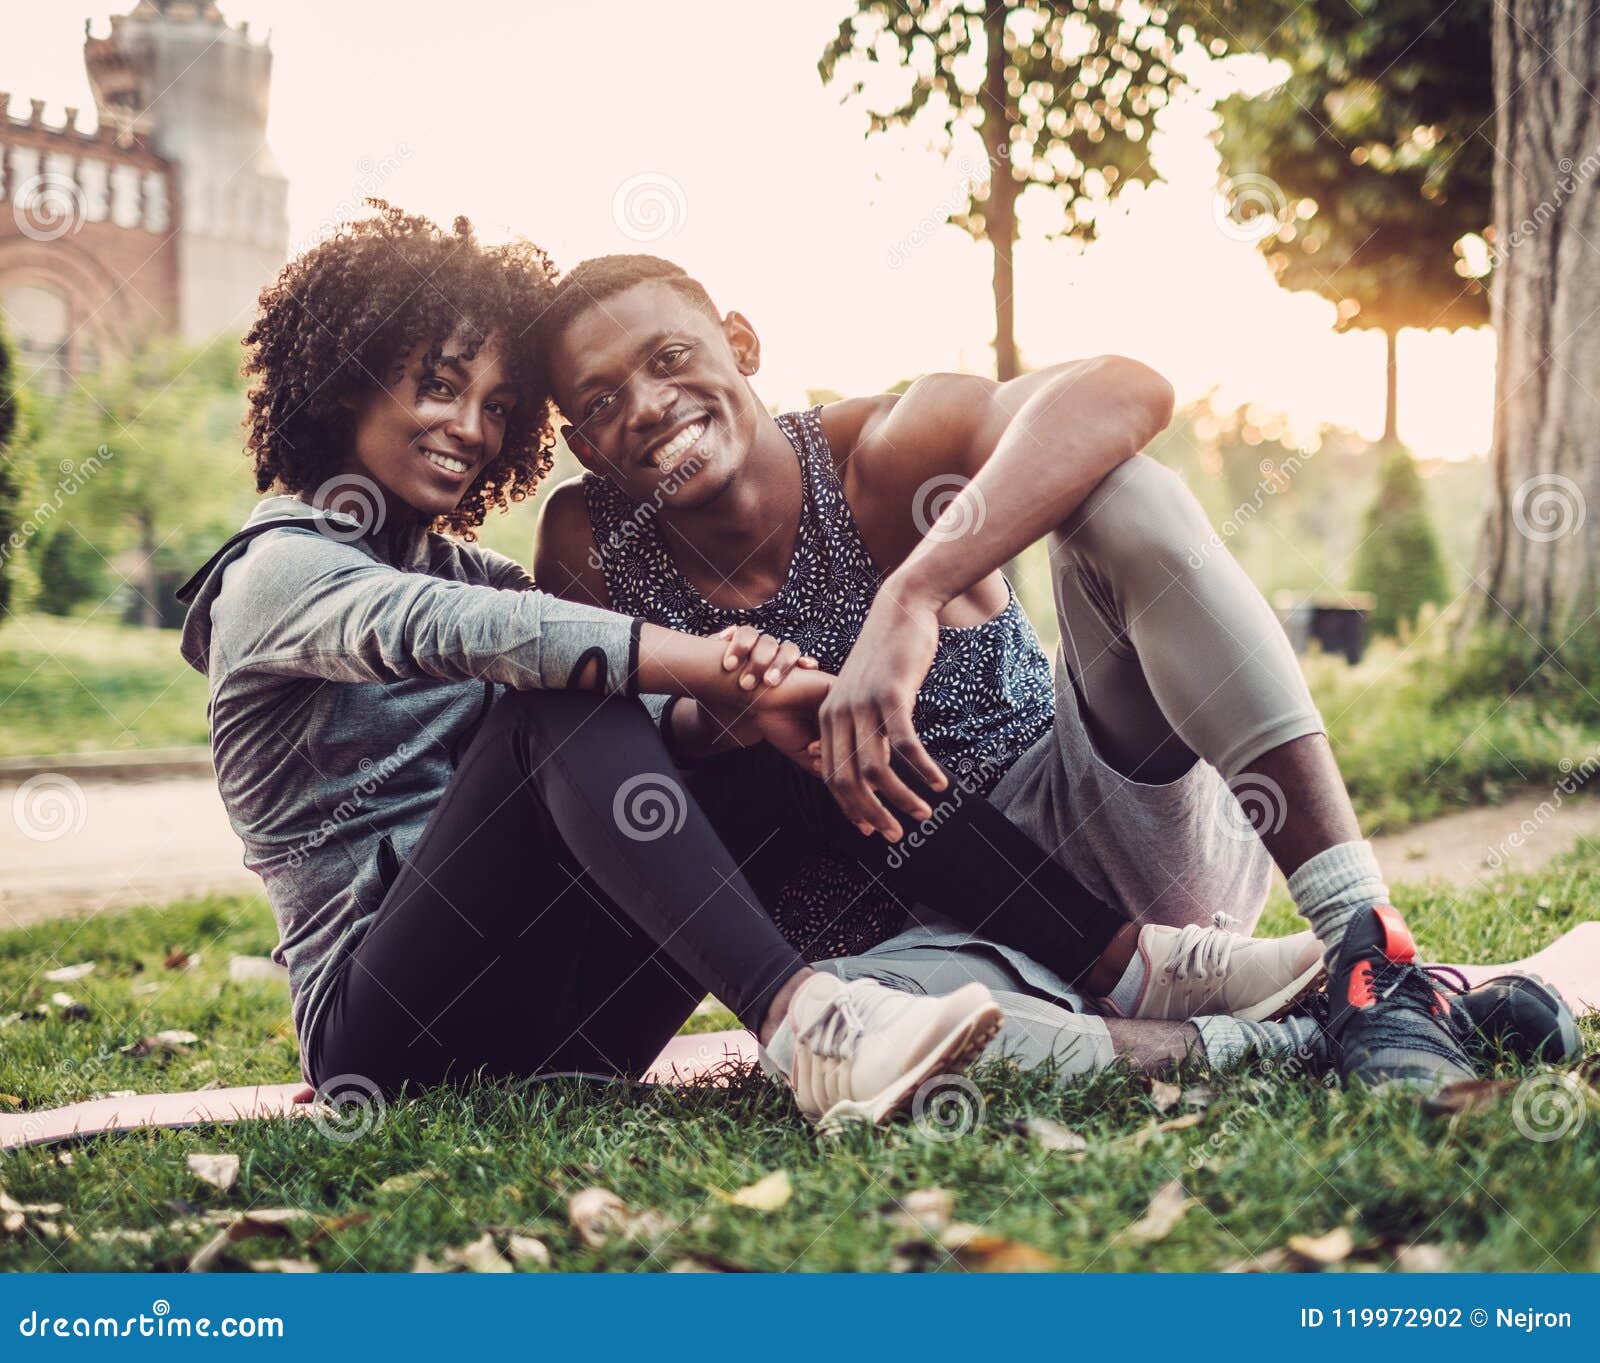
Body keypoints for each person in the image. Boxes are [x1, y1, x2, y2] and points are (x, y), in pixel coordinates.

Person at [528, 254, 1536, 1093]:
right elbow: (614, 761)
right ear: (582, 444)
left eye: (670, 358)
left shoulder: (884, 453)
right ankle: (1318, 1034)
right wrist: (728, 705)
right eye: (603, 401)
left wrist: (911, 593)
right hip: (904, 950)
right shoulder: (589, 541)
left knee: (1122, 494)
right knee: (872, 1048)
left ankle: (1361, 934)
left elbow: (1127, 391)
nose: (647, 406)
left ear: (740, 344)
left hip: (1101, 830)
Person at [175, 204, 1016, 1130]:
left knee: (775, 744)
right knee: (558, 691)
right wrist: (718, 665)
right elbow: (481, 631)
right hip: (382, 1039)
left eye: (498, 407)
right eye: (439, 388)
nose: (472, 428)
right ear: (347, 384)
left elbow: (620, 736)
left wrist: (742, 711)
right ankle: (810, 1024)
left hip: (568, 1030)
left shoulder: (466, 570)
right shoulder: (273, 571)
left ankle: (1118, 956)